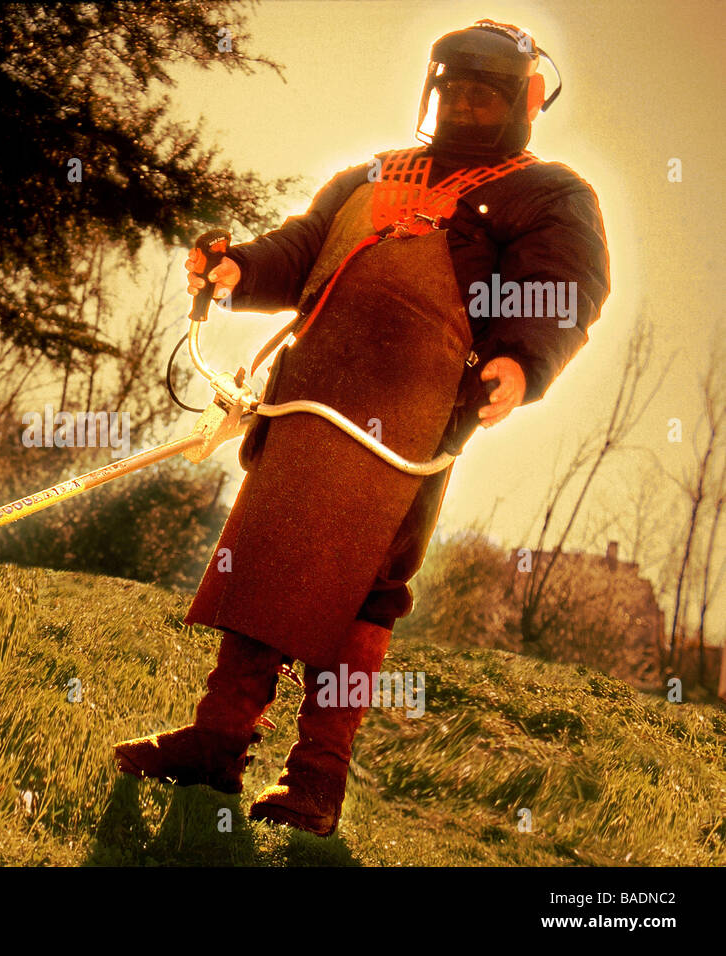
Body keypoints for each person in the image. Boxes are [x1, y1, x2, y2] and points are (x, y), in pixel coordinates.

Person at [113, 20, 610, 837]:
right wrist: (241, 270)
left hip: (415, 422)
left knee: (365, 590)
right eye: (453, 90)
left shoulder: (545, 192)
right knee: (267, 557)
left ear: (523, 102)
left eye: (485, 94)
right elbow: (302, 248)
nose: (465, 105)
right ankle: (217, 741)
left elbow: (564, 286)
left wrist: (521, 361)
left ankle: (315, 780)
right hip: (312, 395)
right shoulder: (374, 173)